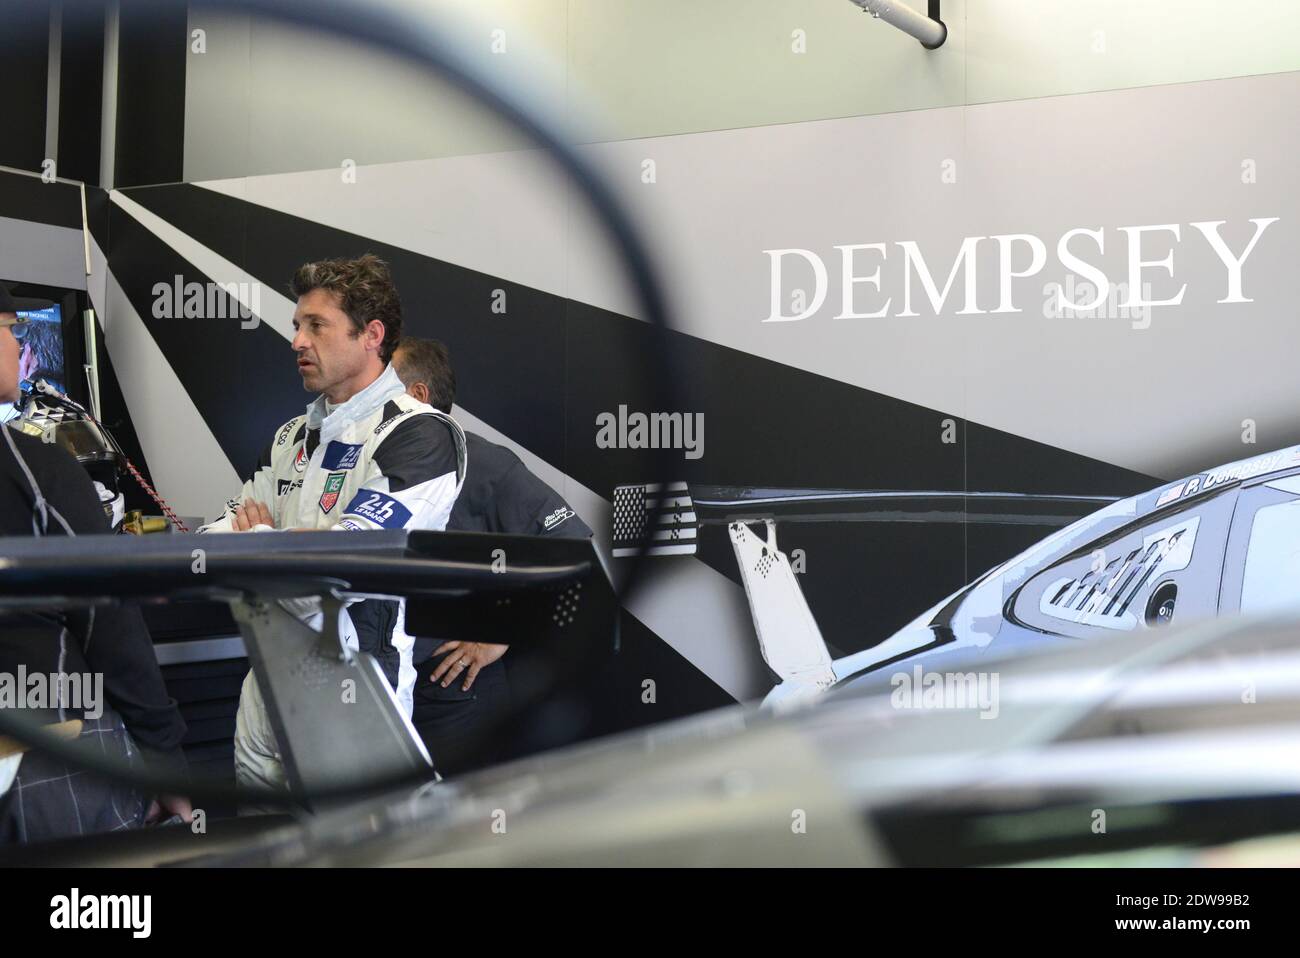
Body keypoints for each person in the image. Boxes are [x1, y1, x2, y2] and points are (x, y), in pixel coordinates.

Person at [199, 255, 466, 797]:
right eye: (298, 325)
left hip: (357, 696)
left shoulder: (421, 435)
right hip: (263, 696)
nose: (297, 340)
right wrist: (275, 544)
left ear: (371, 335)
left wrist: (256, 534)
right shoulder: (290, 435)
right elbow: (208, 547)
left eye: (315, 325)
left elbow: (345, 567)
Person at [0, 286, 191, 843]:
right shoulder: (35, 470)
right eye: (10, 329)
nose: (18, 346)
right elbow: (108, 622)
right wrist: (164, 757)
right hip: (46, 766)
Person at [392, 338, 592, 773]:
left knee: (471, 829)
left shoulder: (484, 465)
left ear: (417, 396)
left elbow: (571, 548)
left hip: (453, 697)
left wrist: (500, 633)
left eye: (381, 387)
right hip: (381, 688)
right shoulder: (366, 465)